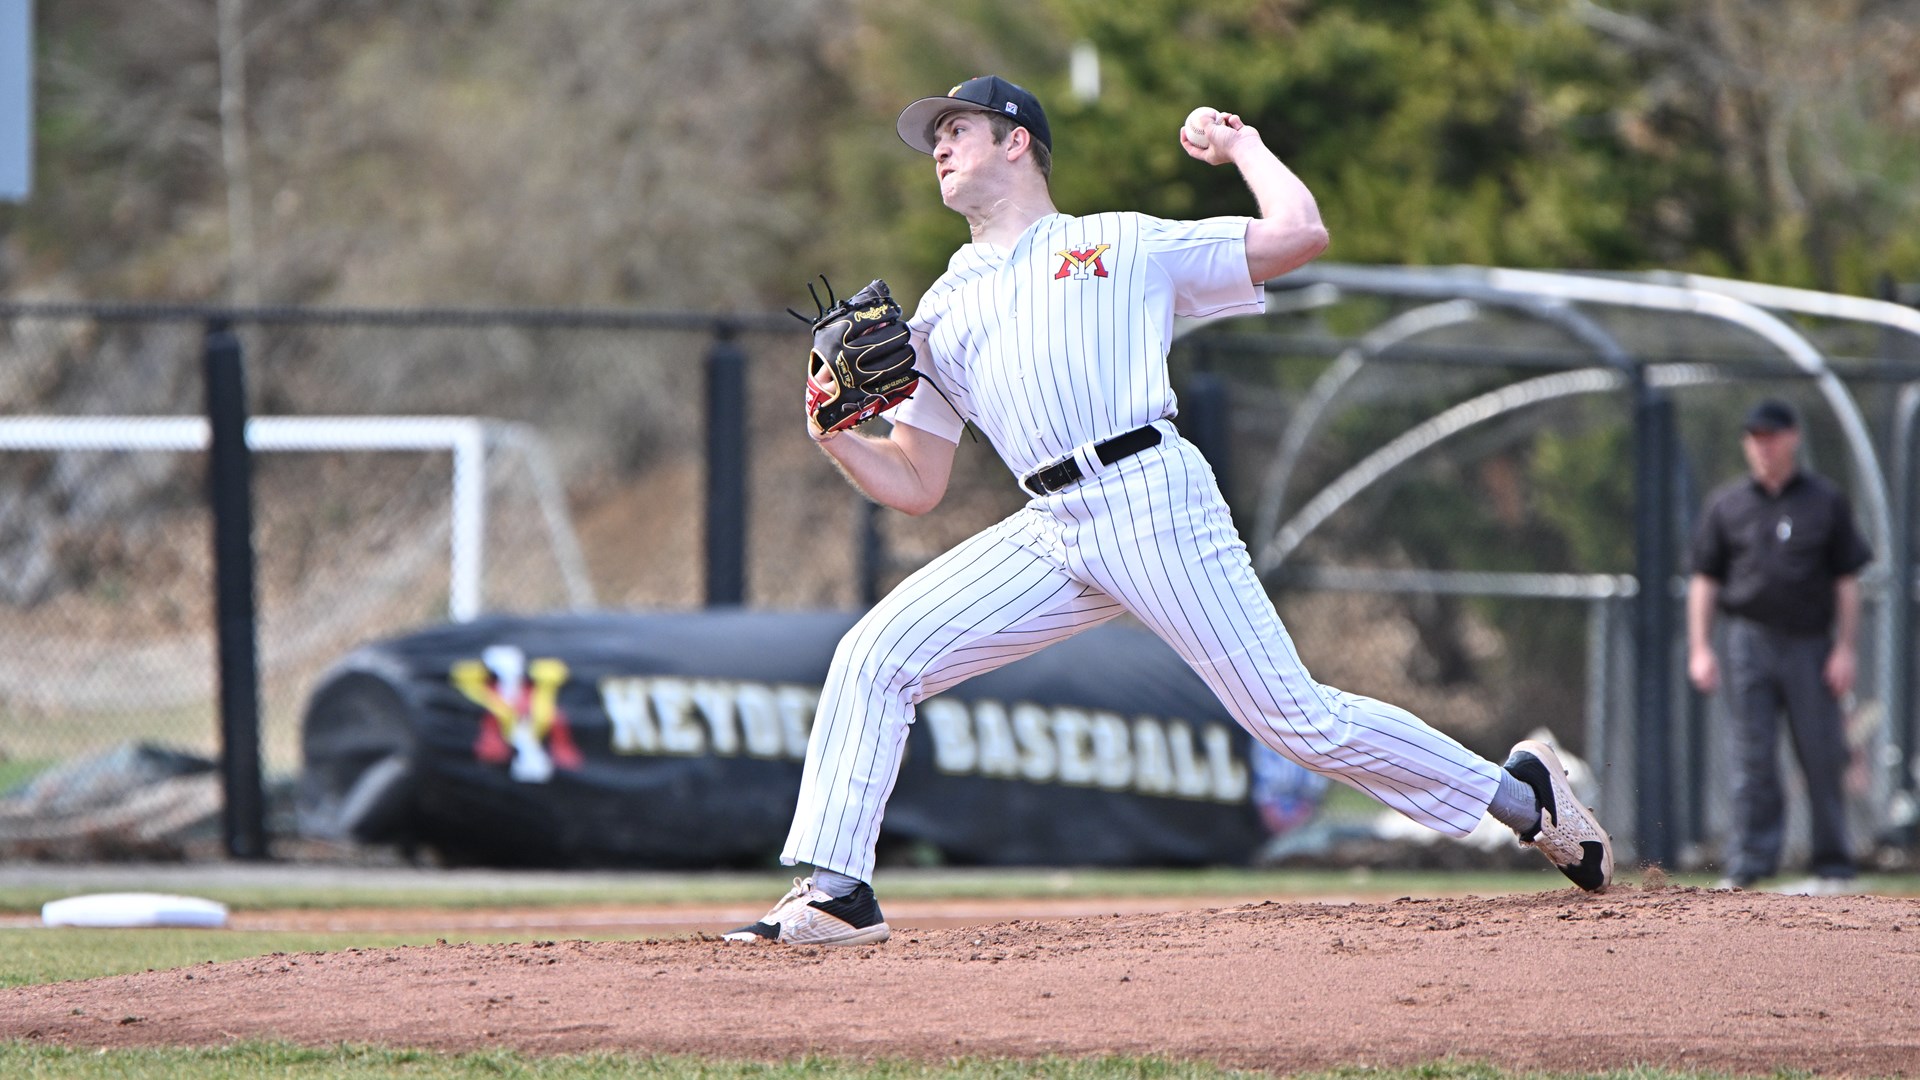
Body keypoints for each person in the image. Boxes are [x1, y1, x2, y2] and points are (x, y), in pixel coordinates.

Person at [724, 76, 1612, 946]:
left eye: (957, 128)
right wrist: (832, 435)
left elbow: (1299, 233)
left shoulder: (1117, 242)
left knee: (1296, 721)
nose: (940, 147)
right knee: (875, 656)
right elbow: (918, 482)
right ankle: (838, 892)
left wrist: (1242, 146)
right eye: (935, 138)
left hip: (1148, 496)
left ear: (1017, 140)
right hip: (1050, 526)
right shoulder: (941, 310)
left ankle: (1522, 797)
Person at [1687, 398, 1872, 895]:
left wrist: (1846, 648)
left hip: (1811, 644)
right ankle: (1748, 864)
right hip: (1747, 641)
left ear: (1793, 437)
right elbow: (1705, 579)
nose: (1762, 447)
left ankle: (1833, 864)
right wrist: (1701, 647)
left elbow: (1846, 580)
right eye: (1754, 438)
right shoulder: (1728, 505)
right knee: (1752, 758)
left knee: (1823, 752)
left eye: (1771, 436)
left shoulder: (1824, 501)